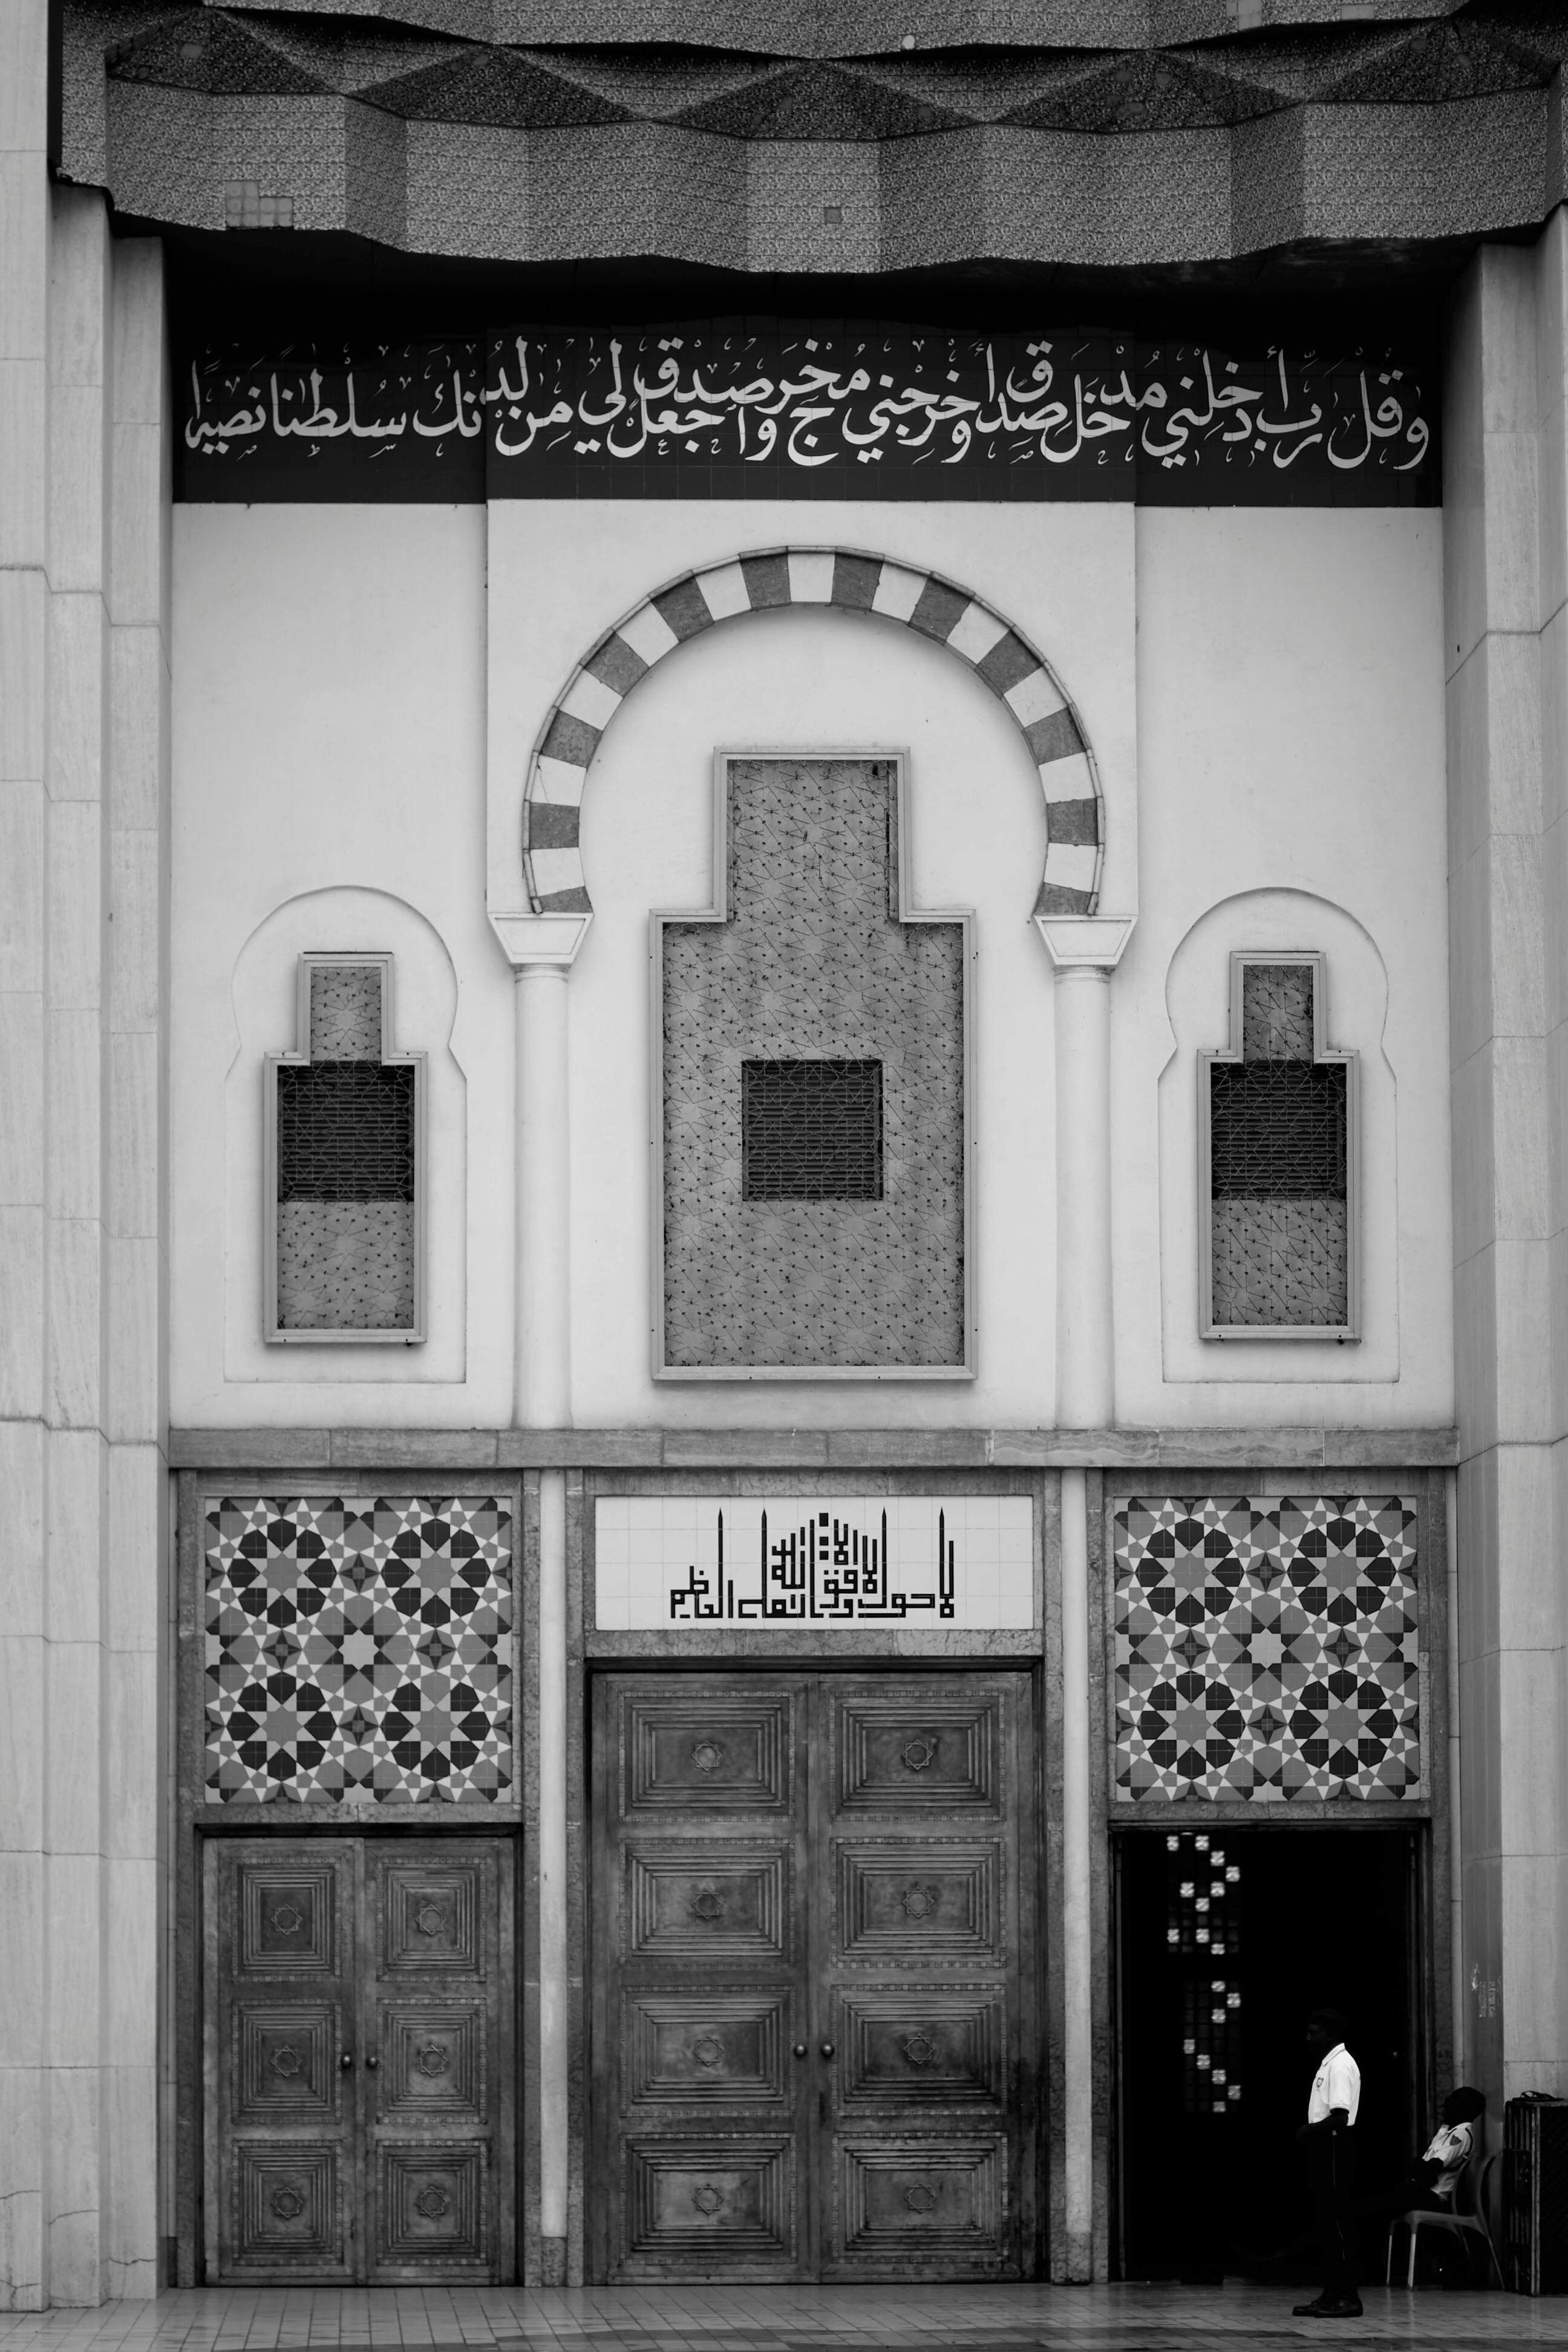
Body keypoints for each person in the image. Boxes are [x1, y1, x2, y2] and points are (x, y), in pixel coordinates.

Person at [1293, 2007, 1362, 2319]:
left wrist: (1308, 2131)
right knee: (1326, 2225)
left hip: (1335, 2146)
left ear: (1331, 2035)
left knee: (1337, 2225)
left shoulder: (1341, 2065)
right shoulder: (1328, 2063)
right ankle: (1331, 2295)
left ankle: (1348, 2297)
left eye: (1314, 2033)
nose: (1308, 2039)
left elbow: (1340, 2116)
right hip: (1324, 2149)